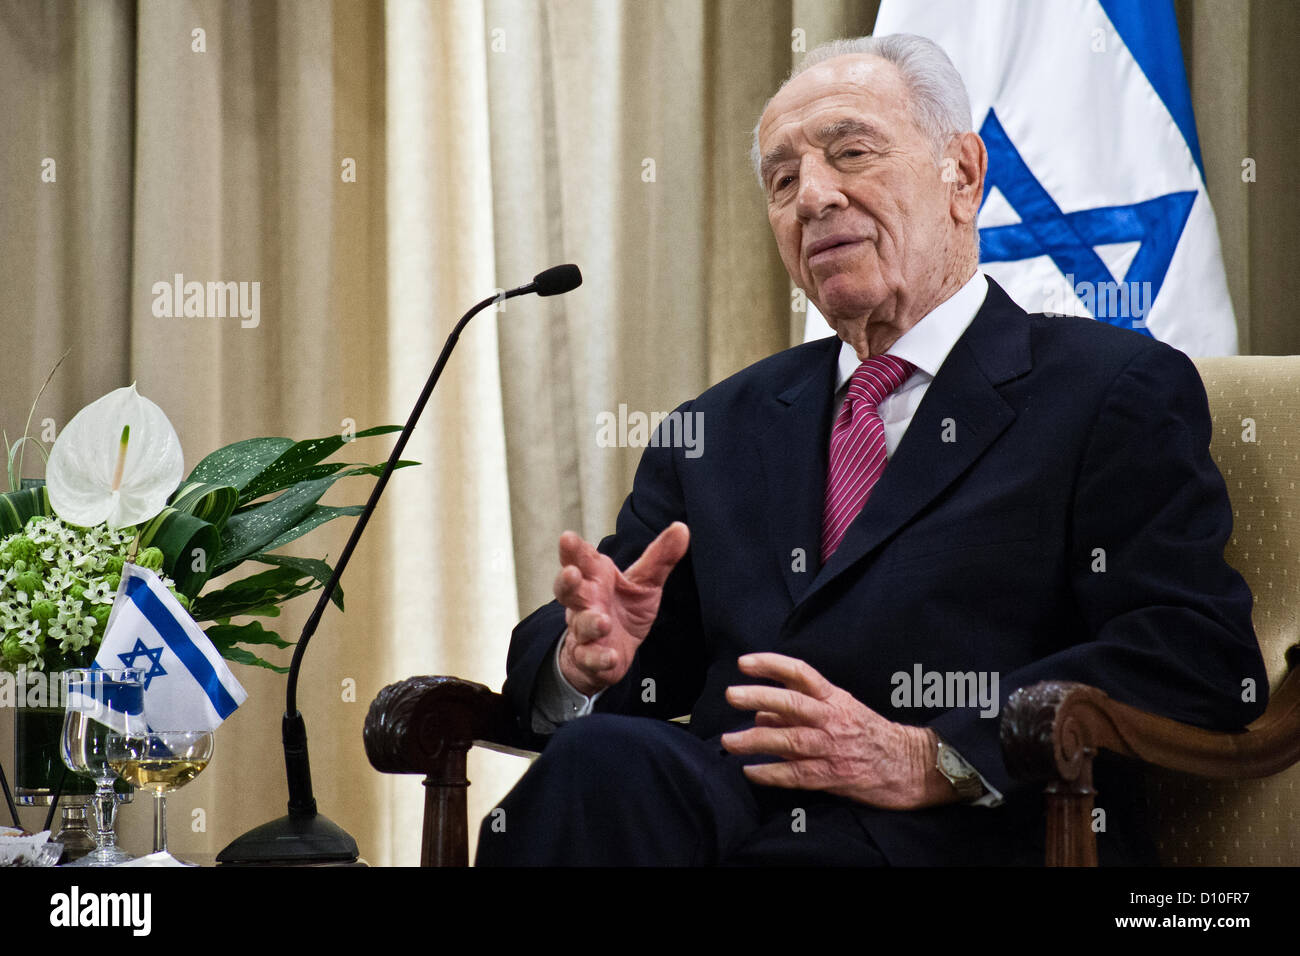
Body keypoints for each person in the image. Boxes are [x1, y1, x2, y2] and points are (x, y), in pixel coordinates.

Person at [475, 34, 1268, 866]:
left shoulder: (1109, 390)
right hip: (737, 804)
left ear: (961, 175)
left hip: (964, 828)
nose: (813, 197)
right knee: (597, 762)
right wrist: (585, 659)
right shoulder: (720, 425)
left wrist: (933, 756)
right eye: (783, 180)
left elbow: (1194, 650)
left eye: (851, 152)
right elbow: (626, 637)